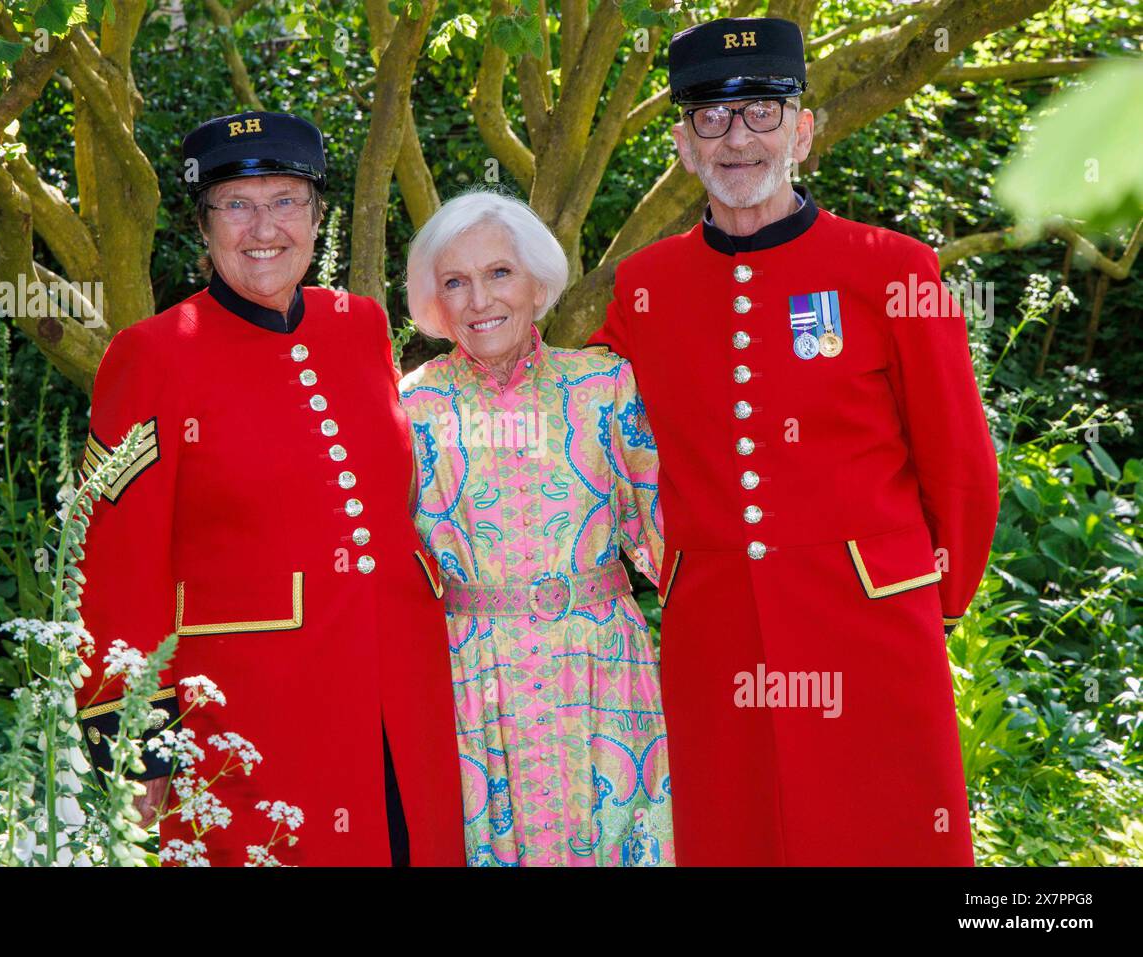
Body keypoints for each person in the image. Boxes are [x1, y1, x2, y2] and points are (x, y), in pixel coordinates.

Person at [587, 17, 999, 865]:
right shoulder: (646, 286)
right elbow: (588, 428)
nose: (738, 138)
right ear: (683, 143)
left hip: (872, 624)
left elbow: (958, 459)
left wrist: (934, 598)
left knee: (885, 832)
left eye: (764, 112)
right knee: (733, 831)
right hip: (717, 629)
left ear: (803, 131)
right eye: (711, 117)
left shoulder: (893, 269)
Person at [75, 110, 464, 866]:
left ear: (318, 216)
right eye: (237, 204)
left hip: (403, 689)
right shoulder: (149, 355)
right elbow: (116, 558)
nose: (264, 227)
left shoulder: (358, 325)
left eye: (286, 200)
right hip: (252, 714)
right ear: (204, 223)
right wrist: (138, 735)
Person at [400, 190, 676, 866]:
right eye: (455, 282)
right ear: (435, 300)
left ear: (535, 281)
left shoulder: (605, 385)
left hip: (604, 676)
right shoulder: (407, 406)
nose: (479, 300)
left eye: (499, 273)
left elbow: (670, 534)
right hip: (474, 682)